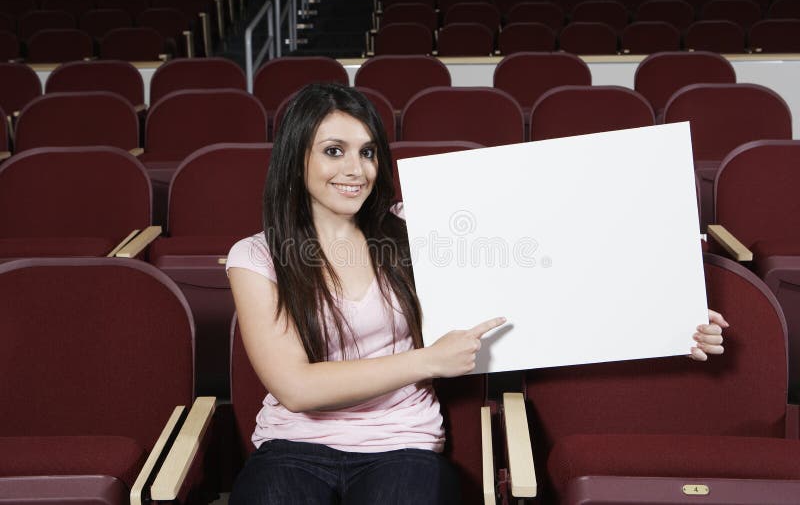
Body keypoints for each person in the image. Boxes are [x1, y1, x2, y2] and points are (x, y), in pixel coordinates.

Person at [226, 83, 727, 505]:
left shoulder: (412, 228)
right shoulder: (256, 256)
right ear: (297, 158)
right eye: (334, 150)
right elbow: (296, 387)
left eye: (368, 151)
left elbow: (560, 256)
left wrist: (667, 310)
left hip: (402, 443)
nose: (355, 169)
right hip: (294, 444)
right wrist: (429, 362)